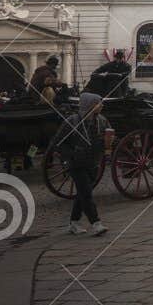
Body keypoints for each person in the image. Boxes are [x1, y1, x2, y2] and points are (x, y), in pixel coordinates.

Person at [51, 92, 108, 236]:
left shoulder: (102, 120)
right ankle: (96, 223)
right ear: (89, 105)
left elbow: (108, 137)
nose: (101, 105)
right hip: (75, 163)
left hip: (93, 162)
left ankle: (74, 223)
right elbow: (58, 143)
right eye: (98, 103)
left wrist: (109, 142)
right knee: (87, 193)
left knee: (82, 193)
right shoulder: (72, 121)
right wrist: (72, 154)